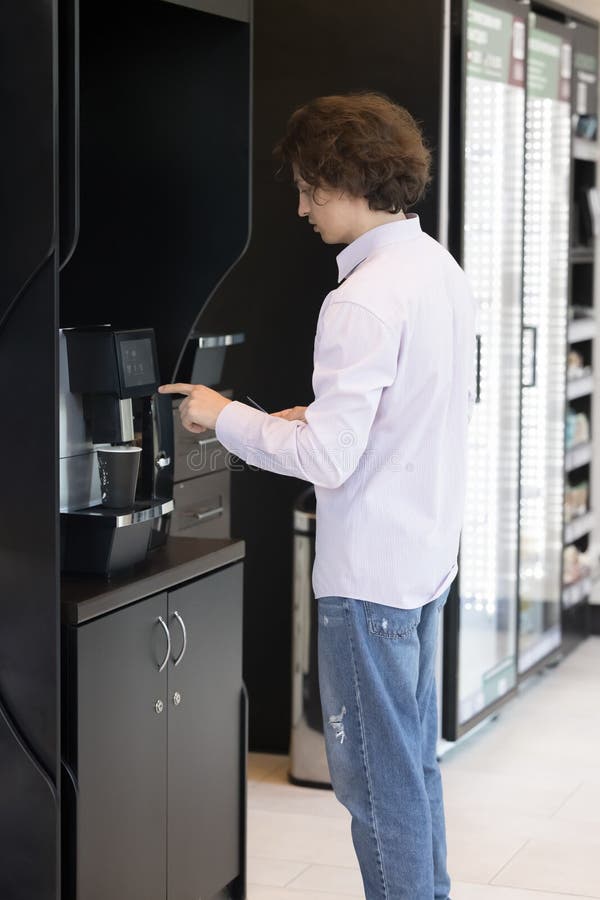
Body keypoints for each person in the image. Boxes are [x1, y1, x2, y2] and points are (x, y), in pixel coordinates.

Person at [160, 91, 476, 900]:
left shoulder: (360, 298)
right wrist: (320, 416)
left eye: (310, 187)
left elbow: (328, 463)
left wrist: (223, 416)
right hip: (424, 562)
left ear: (351, 179)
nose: (301, 206)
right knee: (410, 773)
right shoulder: (435, 268)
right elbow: (407, 409)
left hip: (369, 581)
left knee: (375, 792)